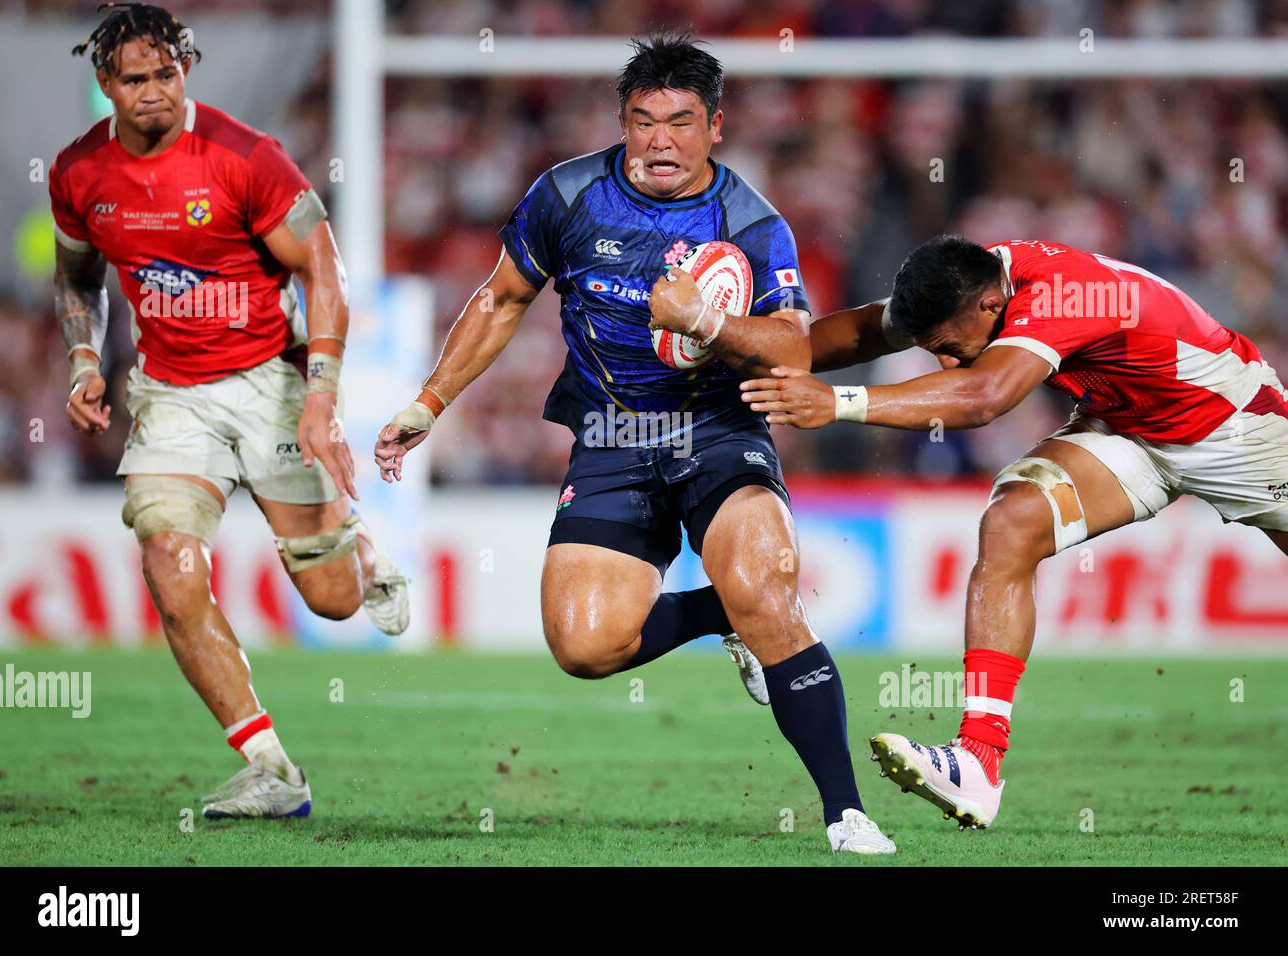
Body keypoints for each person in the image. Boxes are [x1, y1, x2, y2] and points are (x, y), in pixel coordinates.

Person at [374, 33, 895, 855]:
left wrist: (708, 324)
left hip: (720, 430)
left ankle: (845, 812)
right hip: (612, 438)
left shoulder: (751, 221)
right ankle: (726, 615)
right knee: (584, 646)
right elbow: (502, 298)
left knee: (768, 584)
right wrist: (429, 401)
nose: (660, 140)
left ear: (715, 126)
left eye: (681, 122)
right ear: (622, 122)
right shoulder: (568, 195)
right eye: (644, 120)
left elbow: (793, 343)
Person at [740, 235, 1288, 828]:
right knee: (1011, 520)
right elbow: (862, 334)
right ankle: (977, 762)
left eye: (948, 349)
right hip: (1128, 429)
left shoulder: (1059, 294)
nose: (947, 362)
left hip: (1234, 428)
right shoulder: (964, 284)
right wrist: (725, 344)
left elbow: (985, 396)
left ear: (988, 307)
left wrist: (838, 402)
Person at [51, 2, 408, 819]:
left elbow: (325, 268)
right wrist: (82, 359)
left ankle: (359, 546)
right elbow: (76, 278)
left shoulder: (246, 157)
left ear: (186, 69)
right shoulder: (77, 174)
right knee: (169, 567)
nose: (152, 92)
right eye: (134, 79)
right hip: (172, 395)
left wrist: (321, 399)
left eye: (166, 73)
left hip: (270, 382)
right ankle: (272, 768)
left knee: (334, 601)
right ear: (105, 83)